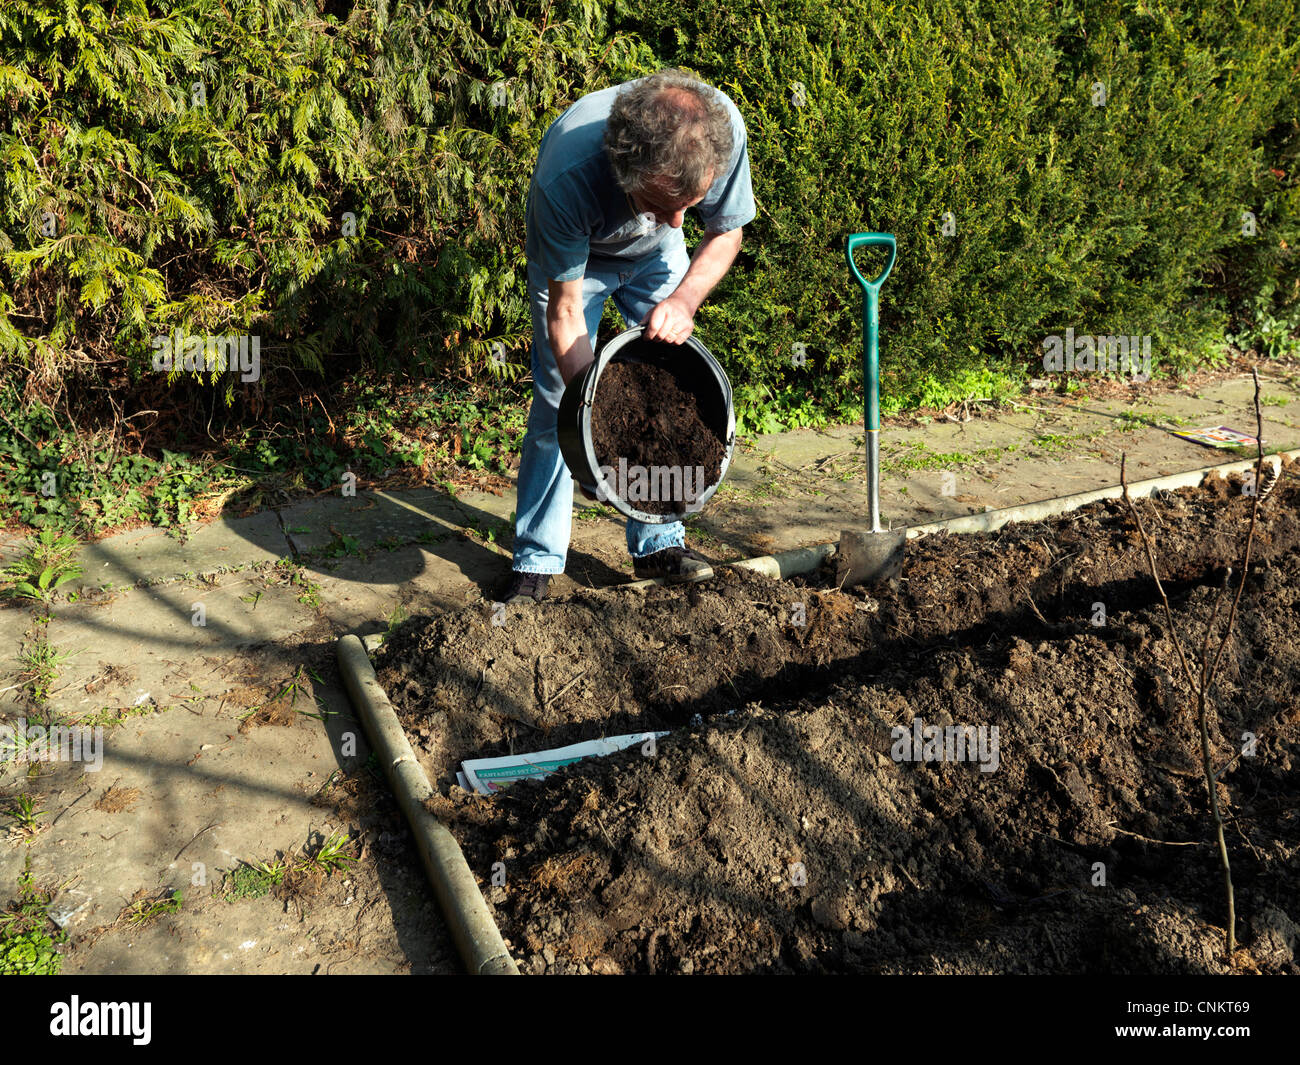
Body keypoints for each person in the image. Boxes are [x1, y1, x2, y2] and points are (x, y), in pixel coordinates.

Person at [499, 68, 756, 605]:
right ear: (625, 170)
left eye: (691, 204)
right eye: (665, 204)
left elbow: (724, 232)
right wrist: (590, 428)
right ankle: (537, 558)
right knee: (557, 407)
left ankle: (659, 539)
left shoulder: (719, 131)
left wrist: (683, 300)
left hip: (654, 260)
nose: (682, 220)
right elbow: (566, 311)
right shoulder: (568, 174)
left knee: (665, 381)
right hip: (581, 265)